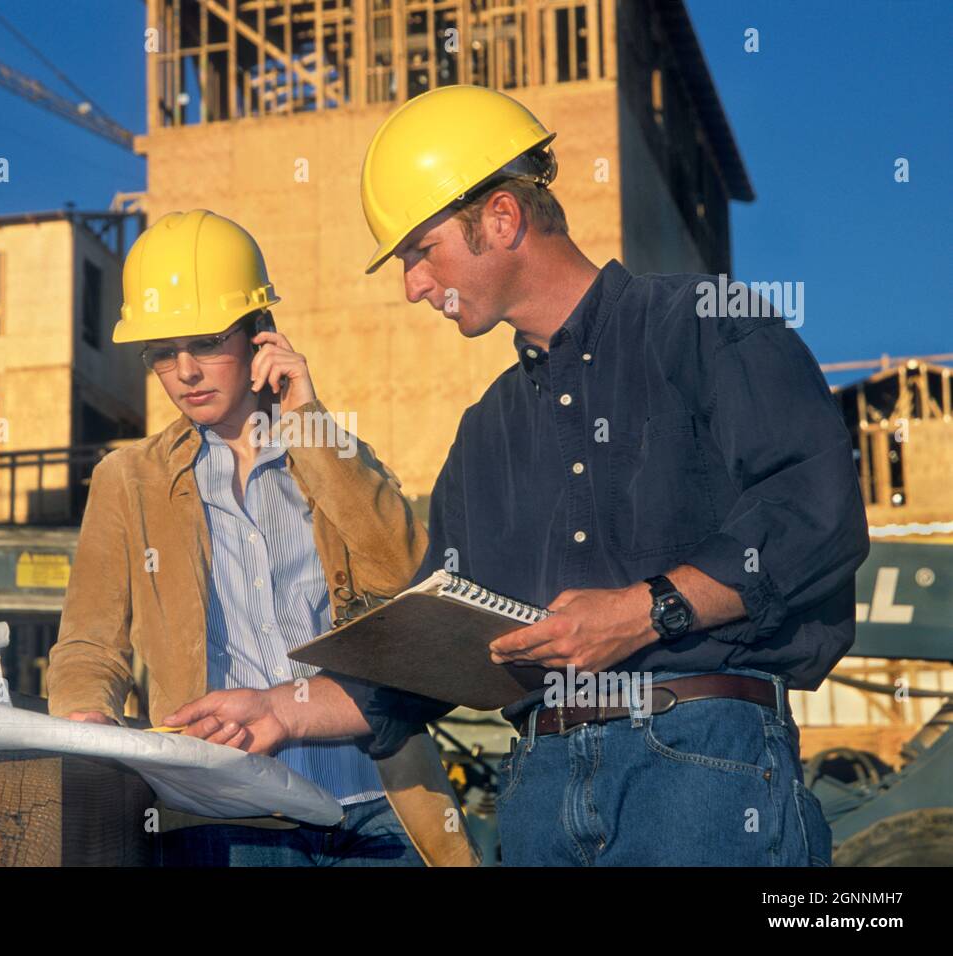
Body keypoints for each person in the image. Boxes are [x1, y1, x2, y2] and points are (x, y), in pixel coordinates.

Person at [165, 86, 871, 867]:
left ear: (500, 218)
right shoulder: (483, 432)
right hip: (537, 790)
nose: (411, 286)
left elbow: (815, 512)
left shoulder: (706, 323)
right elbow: (429, 662)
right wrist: (280, 711)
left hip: (700, 773)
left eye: (420, 251)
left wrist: (645, 610)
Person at [46, 209, 477, 867]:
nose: (185, 370)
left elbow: (408, 576)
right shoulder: (127, 481)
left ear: (261, 336)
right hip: (232, 816)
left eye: (208, 342)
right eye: (163, 352)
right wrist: (86, 720)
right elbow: (88, 642)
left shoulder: (330, 454)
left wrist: (308, 422)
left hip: (379, 808)